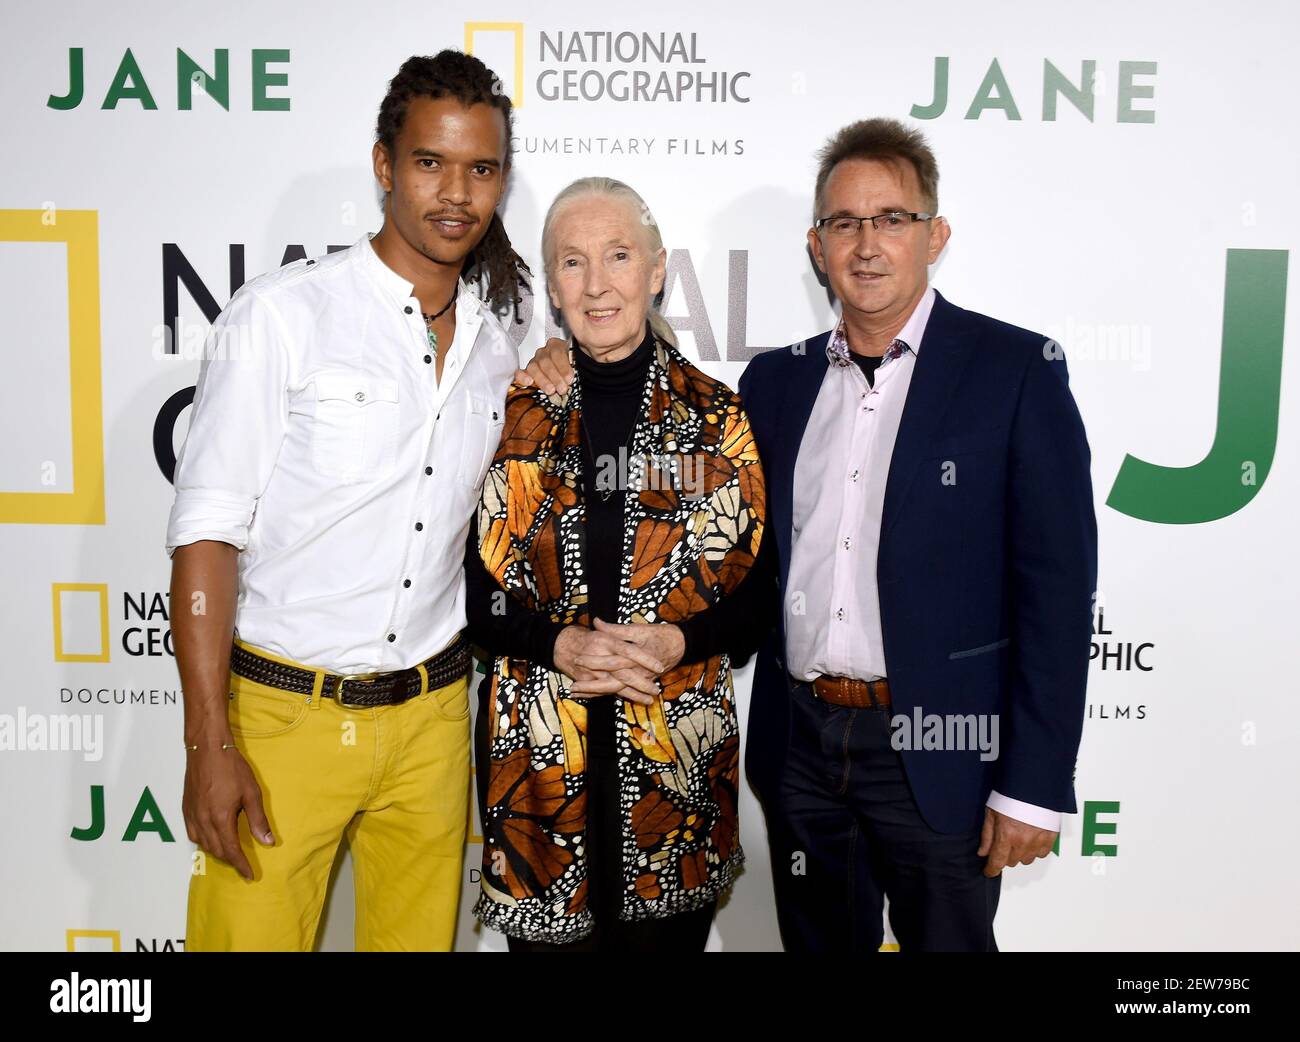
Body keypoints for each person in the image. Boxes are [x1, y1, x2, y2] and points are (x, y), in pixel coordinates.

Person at [522, 119, 1097, 952]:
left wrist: (1033, 785)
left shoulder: (1014, 372)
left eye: (891, 219)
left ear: (934, 235)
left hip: (938, 753)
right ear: (816, 246)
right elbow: (737, 553)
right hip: (800, 752)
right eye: (843, 223)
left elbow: (1058, 593)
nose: (866, 244)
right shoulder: (774, 383)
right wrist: (562, 357)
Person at [167, 50, 530, 951]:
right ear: (383, 165)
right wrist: (208, 743)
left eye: (481, 168)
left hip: (434, 725)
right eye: (430, 162)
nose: (457, 193)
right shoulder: (282, 316)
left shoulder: (498, 348)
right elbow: (206, 536)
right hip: (282, 721)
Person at [464, 177, 772, 951]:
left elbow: (755, 600)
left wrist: (678, 642)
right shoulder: (513, 415)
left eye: (619, 256)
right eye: (573, 262)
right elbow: (475, 594)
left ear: (657, 269)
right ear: (552, 286)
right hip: (535, 779)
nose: (597, 284)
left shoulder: (717, 418)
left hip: (679, 776)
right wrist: (557, 644)